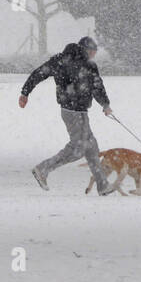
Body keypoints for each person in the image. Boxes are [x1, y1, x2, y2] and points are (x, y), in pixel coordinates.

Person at [18, 36, 115, 195]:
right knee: (78, 148)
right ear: (85, 49)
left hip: (75, 110)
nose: (93, 55)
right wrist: (105, 105)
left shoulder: (62, 60)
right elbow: (97, 86)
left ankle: (103, 185)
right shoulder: (82, 64)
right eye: (92, 52)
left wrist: (25, 92)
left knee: (91, 146)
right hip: (74, 112)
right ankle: (43, 169)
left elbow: (39, 73)